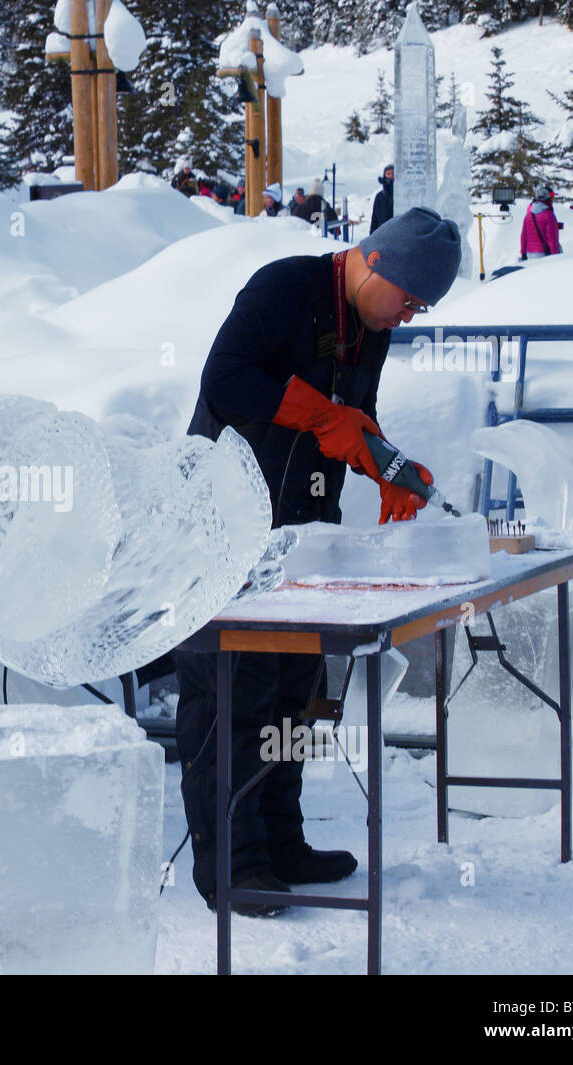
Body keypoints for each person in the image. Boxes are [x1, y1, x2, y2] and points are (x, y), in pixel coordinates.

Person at [173, 207, 461, 916]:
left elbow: (351, 417)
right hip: (226, 523)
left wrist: (383, 462)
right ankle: (232, 865)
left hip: (301, 533)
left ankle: (282, 841)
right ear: (382, 267)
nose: (412, 315)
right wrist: (320, 414)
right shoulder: (283, 288)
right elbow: (226, 382)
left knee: (296, 695)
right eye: (413, 300)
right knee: (233, 694)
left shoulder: (369, 329)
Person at [519, 186, 561, 258]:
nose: (553, 198)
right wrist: (555, 256)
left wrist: (523, 253)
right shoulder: (549, 215)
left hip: (529, 253)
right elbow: (551, 238)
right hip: (544, 254)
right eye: (552, 196)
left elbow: (524, 236)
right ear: (547, 198)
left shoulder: (528, 215)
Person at [370, 165, 394, 233]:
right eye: (388, 174)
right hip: (382, 235)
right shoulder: (379, 197)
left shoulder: (401, 195)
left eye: (393, 174)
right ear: (384, 175)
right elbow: (374, 220)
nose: (391, 176)